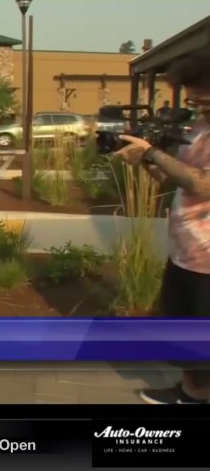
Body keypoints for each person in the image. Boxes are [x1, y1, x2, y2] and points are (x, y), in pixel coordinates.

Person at [113, 53, 210, 405]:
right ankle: (190, 392)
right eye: (191, 98)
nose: (195, 104)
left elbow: (204, 184)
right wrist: (142, 161)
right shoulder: (201, 128)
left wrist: (153, 153)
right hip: (185, 252)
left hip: (207, 259)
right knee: (186, 336)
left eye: (201, 96)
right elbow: (177, 182)